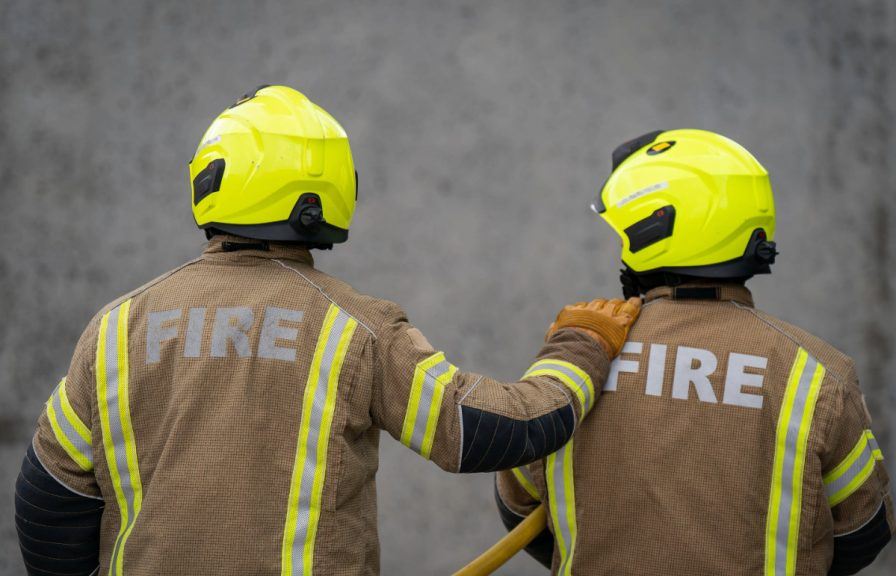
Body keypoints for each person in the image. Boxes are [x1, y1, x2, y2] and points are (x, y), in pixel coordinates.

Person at [13, 85, 640, 576]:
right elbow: (484, 430)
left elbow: (50, 498)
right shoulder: (355, 328)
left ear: (209, 178)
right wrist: (581, 346)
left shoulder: (117, 328)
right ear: (333, 191)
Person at [495, 129, 893, 575]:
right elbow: (864, 531)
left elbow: (519, 508)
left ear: (654, 230)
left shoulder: (579, 358)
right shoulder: (817, 373)